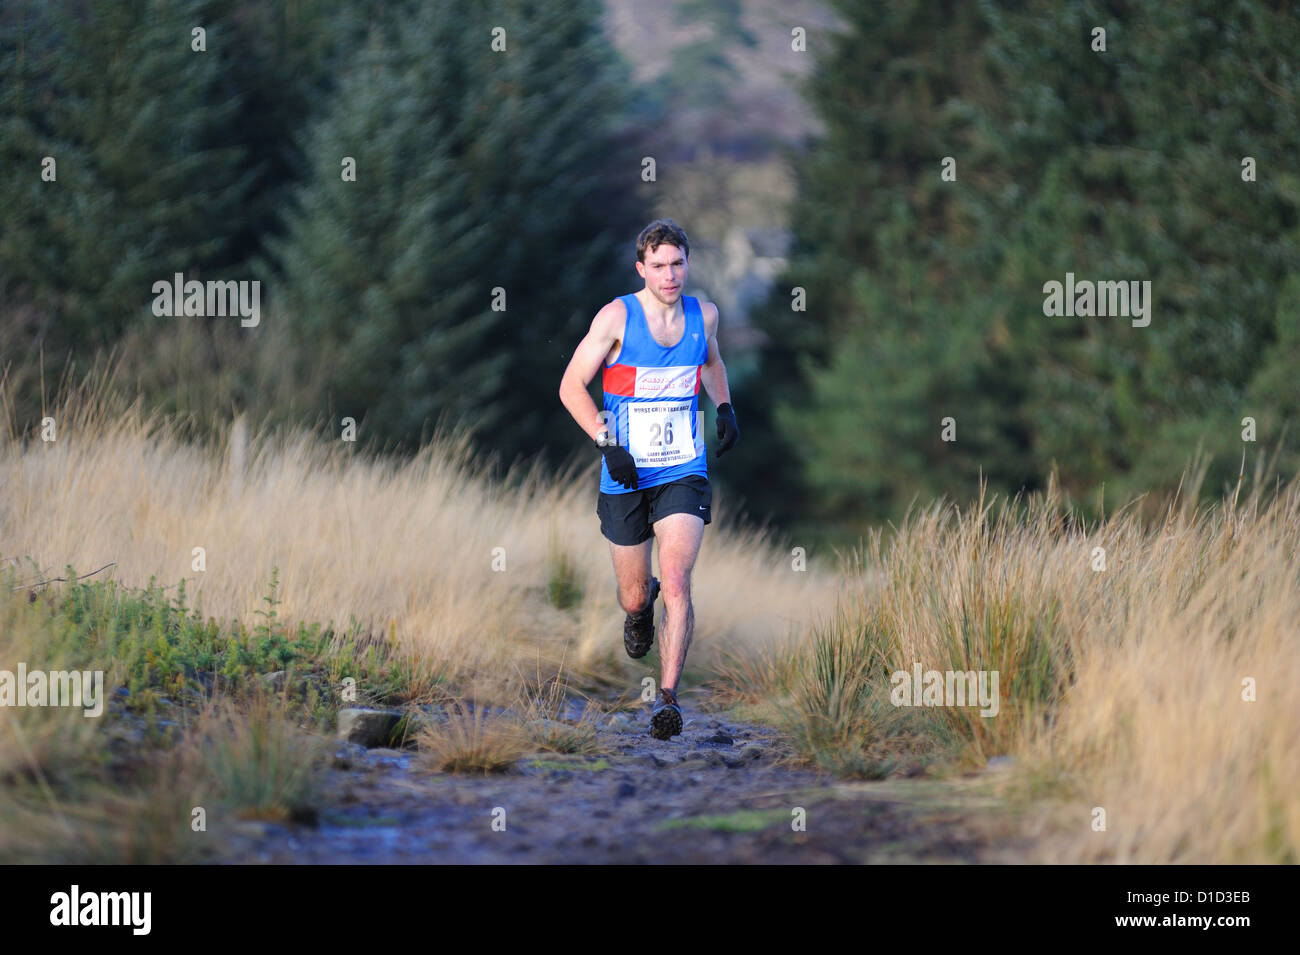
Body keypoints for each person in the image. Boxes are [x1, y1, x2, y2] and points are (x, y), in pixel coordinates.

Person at [558, 218, 738, 739]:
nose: (669, 274)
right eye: (658, 266)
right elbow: (571, 386)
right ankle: (639, 612)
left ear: (688, 264)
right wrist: (606, 442)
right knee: (637, 596)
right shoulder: (617, 317)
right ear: (642, 268)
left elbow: (712, 364)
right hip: (626, 472)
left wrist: (724, 408)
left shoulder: (705, 315)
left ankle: (668, 699)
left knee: (678, 582)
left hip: (684, 468)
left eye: (678, 263)